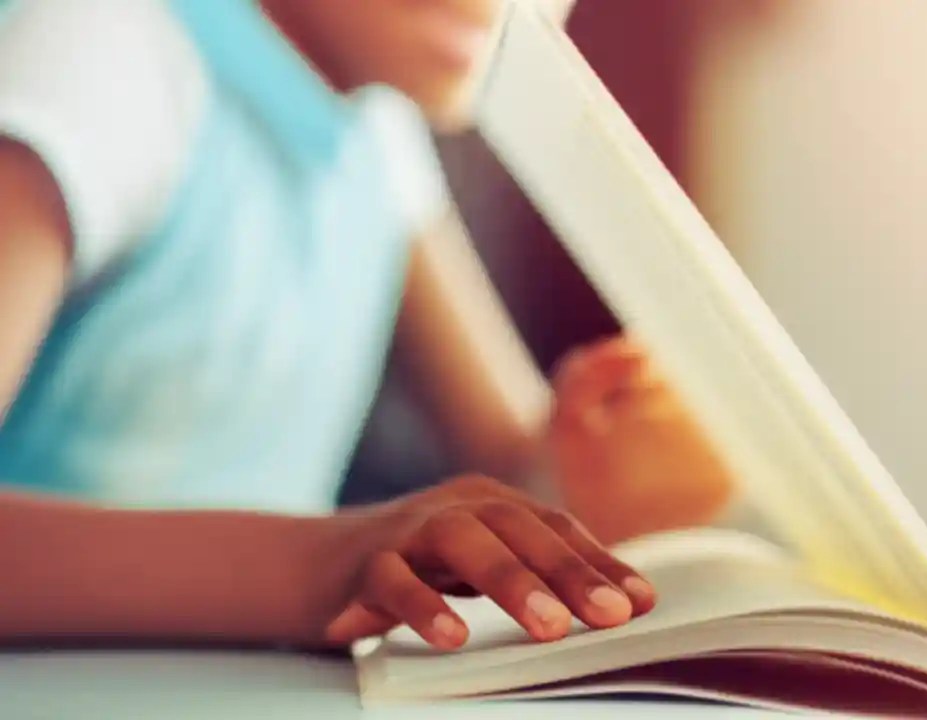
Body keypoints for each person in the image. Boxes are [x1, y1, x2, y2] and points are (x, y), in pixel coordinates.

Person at [0, 0, 733, 650]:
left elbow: (516, 462)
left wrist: (609, 464)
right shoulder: (104, 49)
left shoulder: (379, 133)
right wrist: (317, 566)